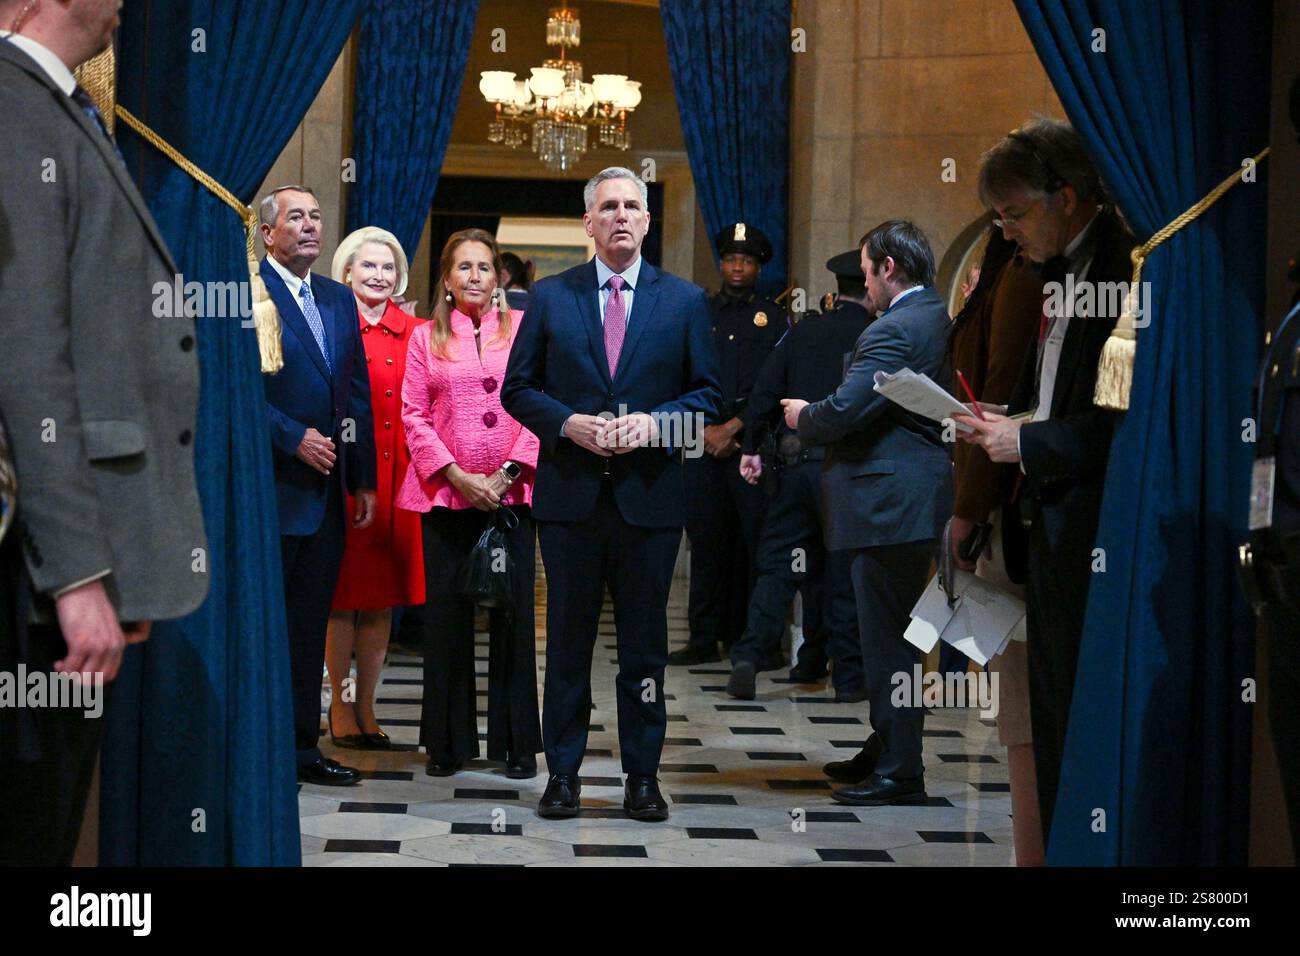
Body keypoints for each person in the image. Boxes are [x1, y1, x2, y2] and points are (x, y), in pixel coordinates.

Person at [0, 0, 208, 864]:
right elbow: (25, 351)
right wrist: (81, 572)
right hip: (37, 565)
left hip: (64, 552)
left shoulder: (50, 104)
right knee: (27, 825)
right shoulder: (10, 104)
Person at [502, 166, 720, 821]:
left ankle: (643, 777)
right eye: (608, 207)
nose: (621, 216)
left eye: (633, 206)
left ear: (648, 221)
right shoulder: (551, 297)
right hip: (570, 499)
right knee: (566, 645)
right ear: (589, 223)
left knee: (644, 649)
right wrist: (567, 424)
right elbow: (517, 388)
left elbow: (708, 396)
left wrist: (655, 424)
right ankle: (562, 775)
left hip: (649, 502)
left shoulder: (683, 300)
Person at [955, 118, 1136, 843]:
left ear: (1067, 196)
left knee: (1079, 714)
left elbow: (1117, 426)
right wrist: (1011, 418)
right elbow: (1060, 391)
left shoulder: (1124, 265)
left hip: (1090, 523)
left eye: (1014, 214)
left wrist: (1024, 437)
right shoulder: (1058, 270)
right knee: (1050, 710)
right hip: (1047, 526)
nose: (1004, 234)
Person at [783, 220, 952, 806]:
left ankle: (903, 770)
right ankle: (887, 746)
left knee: (891, 643)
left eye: (866, 269)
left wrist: (802, 415)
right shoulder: (932, 312)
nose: (864, 283)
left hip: (888, 505)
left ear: (888, 268)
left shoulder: (893, 329)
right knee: (893, 636)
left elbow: (845, 411)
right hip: (906, 501)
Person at [397, 228, 542, 779]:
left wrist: (504, 475)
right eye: (464, 267)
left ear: (498, 277)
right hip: (444, 494)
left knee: (513, 616)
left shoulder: (524, 330)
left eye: (484, 267)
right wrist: (458, 476)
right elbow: (412, 415)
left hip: (513, 494)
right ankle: (447, 743)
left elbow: (539, 404)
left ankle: (517, 744)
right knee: (447, 618)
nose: (475, 276)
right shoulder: (423, 338)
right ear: (448, 278)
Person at [259, 185, 378, 787]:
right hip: (271, 489)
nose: (309, 226)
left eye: (316, 215)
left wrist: (363, 479)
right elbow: (233, 393)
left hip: (329, 496)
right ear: (267, 232)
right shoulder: (250, 293)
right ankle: (259, 752)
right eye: (296, 217)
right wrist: (292, 438)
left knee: (308, 629)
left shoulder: (335, 297)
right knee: (268, 629)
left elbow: (353, 392)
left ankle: (303, 751)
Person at [726, 249, 872, 701]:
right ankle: (844, 676)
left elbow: (766, 390)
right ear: (868, 286)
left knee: (780, 566)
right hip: (848, 472)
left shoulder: (806, 328)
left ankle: (750, 656)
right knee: (841, 571)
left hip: (796, 467)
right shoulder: (876, 334)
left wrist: (750, 448)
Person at [945, 225, 1046, 866]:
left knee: (1023, 712)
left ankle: (1031, 853)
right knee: (1016, 709)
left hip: (1016, 508)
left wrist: (967, 509)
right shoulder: (1015, 272)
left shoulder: (1025, 277)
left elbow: (1001, 382)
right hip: (1003, 506)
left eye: (1014, 214)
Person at [323, 227, 425, 750]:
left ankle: (368, 708)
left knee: (382, 600)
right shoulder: (332, 325)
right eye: (368, 267)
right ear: (346, 273)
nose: (379, 276)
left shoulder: (419, 331)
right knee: (343, 599)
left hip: (402, 480)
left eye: (388, 268)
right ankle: (339, 707)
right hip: (349, 478)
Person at [670, 223, 788, 666]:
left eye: (747, 260)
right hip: (700, 441)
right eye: (732, 259)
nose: (738, 267)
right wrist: (702, 429)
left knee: (753, 543)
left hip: (750, 445)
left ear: (758, 267)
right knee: (705, 541)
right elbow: (681, 373)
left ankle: (752, 640)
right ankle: (703, 637)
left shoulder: (773, 318)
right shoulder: (699, 311)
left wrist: (735, 427)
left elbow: (773, 385)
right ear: (721, 263)